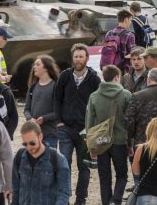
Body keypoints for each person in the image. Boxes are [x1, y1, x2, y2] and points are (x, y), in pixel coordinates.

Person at [53, 43, 101, 205]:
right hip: (65, 128)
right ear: (72, 58)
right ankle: (64, 199)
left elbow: (98, 104)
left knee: (83, 166)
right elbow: (56, 99)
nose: (78, 59)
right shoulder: (65, 76)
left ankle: (81, 200)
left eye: (81, 56)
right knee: (64, 165)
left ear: (87, 58)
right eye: (76, 56)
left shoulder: (94, 79)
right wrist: (58, 121)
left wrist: (92, 128)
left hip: (85, 130)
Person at [86, 65, 131, 205]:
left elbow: (89, 122)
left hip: (101, 142)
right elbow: (130, 122)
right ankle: (115, 201)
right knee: (122, 175)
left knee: (104, 177)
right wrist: (131, 144)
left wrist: (91, 146)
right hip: (120, 141)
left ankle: (106, 202)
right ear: (117, 77)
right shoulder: (126, 95)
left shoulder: (94, 96)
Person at [11, 121, 71, 205]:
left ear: (40, 137)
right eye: (25, 144)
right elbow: (15, 189)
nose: (28, 148)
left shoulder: (58, 159)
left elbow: (64, 193)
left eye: (32, 143)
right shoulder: (19, 157)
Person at [23, 55, 60, 148]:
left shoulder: (56, 87)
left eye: (38, 64)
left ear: (46, 68)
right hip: (33, 136)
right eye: (34, 64)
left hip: (50, 136)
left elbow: (58, 112)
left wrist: (44, 118)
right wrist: (29, 118)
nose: (34, 67)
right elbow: (26, 109)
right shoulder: (32, 87)